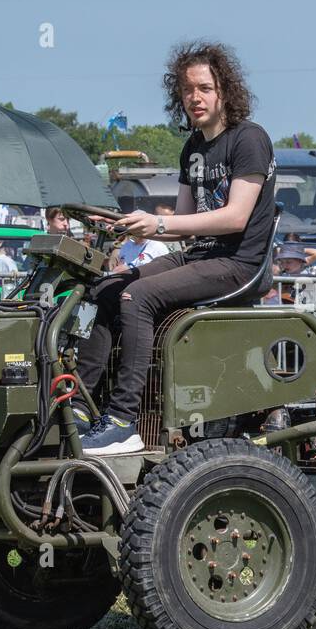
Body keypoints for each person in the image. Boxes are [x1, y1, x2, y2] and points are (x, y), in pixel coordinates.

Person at [74, 41, 277, 456]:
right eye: (187, 90)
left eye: (204, 88)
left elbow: (235, 217)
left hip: (238, 264)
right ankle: (78, 410)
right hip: (201, 256)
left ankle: (121, 422)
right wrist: (131, 225)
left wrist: (160, 222)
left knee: (137, 296)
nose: (194, 98)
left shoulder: (249, 139)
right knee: (104, 289)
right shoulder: (193, 148)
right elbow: (184, 225)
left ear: (225, 91)